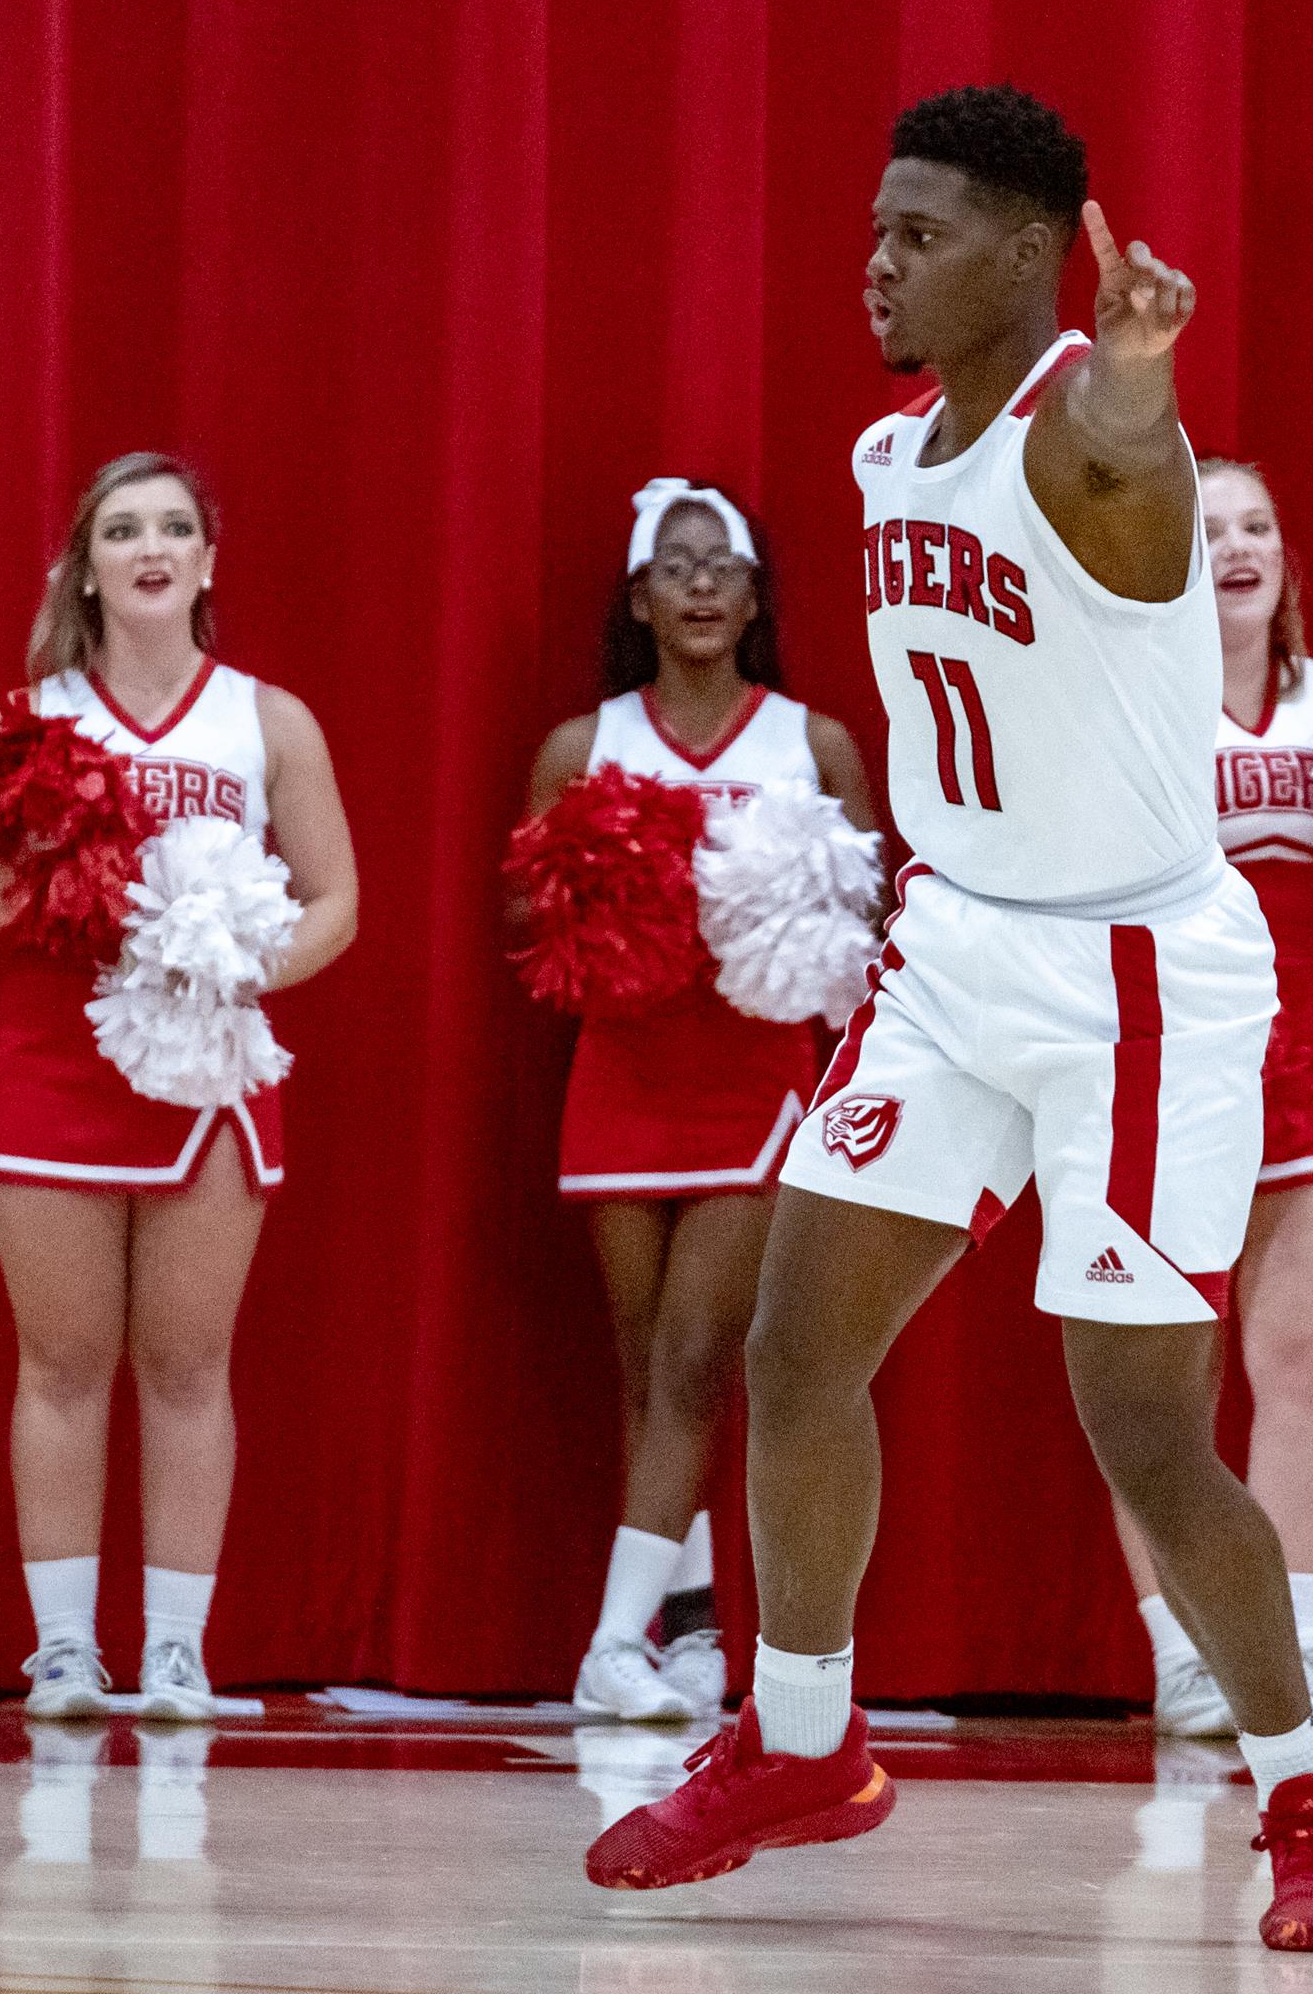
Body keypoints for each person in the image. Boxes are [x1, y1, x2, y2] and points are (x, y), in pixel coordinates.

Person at [585, 87, 1313, 1954]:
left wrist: (1134, 370)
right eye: (875, 230)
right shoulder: (887, 458)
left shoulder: (1094, 447)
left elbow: (1128, 449)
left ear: (1032, 255)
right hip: (955, 956)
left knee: (1145, 1436)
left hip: (1136, 979)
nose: (879, 261)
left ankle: (1305, 1792)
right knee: (793, 1353)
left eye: (922, 236)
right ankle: (802, 1741)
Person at [0, 452, 357, 1723]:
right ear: (89, 566)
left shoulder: (266, 719)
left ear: (207, 562)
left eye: (175, 526)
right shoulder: (33, 718)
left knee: (186, 1362)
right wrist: (45, 855)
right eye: (123, 529)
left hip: (209, 1070)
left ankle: (177, 1652)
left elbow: (339, 900)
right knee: (61, 1361)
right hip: (55, 1064)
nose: (151, 545)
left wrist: (233, 960)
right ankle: (64, 1652)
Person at [520, 479, 875, 1723]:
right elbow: (527, 915)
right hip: (621, 1078)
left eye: (724, 564)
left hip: (754, 1087)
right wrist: (621, 907)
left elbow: (872, 917)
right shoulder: (585, 745)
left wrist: (765, 915)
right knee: (643, 1372)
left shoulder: (810, 741)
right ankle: (688, 1622)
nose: (703, 584)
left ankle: (607, 1644)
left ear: (756, 593)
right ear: (638, 596)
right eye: (676, 566)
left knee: (690, 1358)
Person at [1115, 459, 1313, 1740]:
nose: (1236, 545)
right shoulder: (1126, 708)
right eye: (1208, 525)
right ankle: (1182, 1654)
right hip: (1165, 1046)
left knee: (1305, 1357)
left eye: (1257, 524)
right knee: (1158, 1373)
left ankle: (1299, 1649)